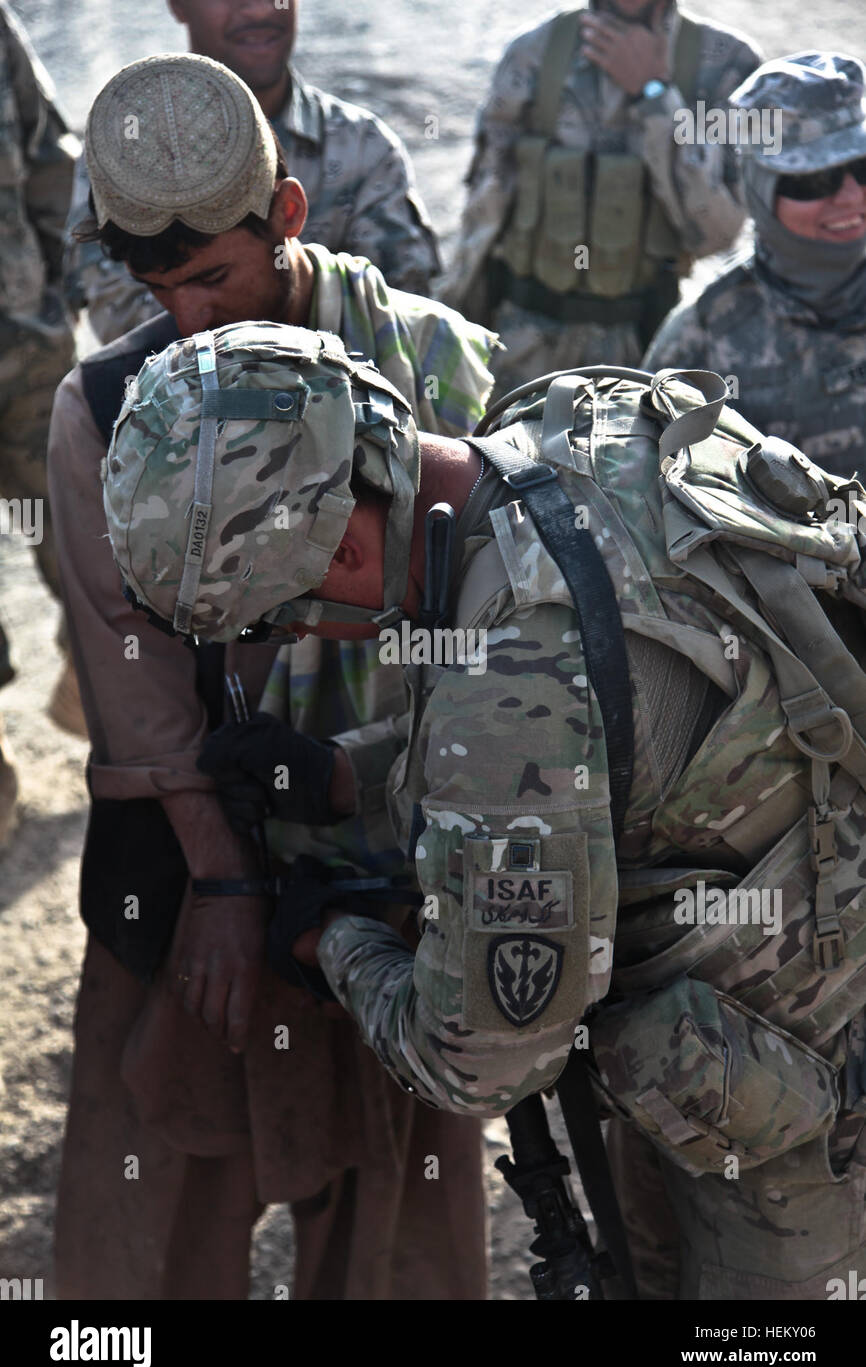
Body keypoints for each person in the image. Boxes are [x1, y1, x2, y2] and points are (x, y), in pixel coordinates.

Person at [105, 323, 866, 1301]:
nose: (290, 636)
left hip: (796, 1083)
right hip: (752, 977)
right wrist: (342, 778)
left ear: (338, 544)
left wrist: (327, 941)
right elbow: (619, 735)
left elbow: (483, 1058)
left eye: (274, 615)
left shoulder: (511, 671)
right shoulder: (566, 427)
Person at [49, 54, 497, 1301]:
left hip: (403, 859)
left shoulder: (435, 376)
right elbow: (132, 677)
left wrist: (377, 814)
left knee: (400, 1230)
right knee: (143, 1219)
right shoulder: (102, 408)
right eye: (157, 288)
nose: (190, 320)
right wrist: (228, 879)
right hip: (188, 862)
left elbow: (493, 642)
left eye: (214, 277)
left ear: (286, 216)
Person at [64, 0, 440, 344]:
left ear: (290, 208)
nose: (258, 9)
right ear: (179, 5)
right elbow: (119, 317)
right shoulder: (122, 163)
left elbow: (396, 323)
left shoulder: (365, 149)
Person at [438, 0, 761, 395]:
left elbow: (716, 234)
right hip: (521, 351)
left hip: (647, 360)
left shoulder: (728, 66)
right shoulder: (534, 52)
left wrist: (655, 93)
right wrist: (452, 331)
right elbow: (483, 219)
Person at [644, 52, 866, 480]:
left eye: (862, 169)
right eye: (815, 180)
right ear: (760, 191)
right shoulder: (702, 339)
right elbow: (652, 499)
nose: (851, 197)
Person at [0, 0, 82, 843]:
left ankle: (88, 689)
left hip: (26, 347)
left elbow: (53, 156)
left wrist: (56, 292)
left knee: (84, 542)